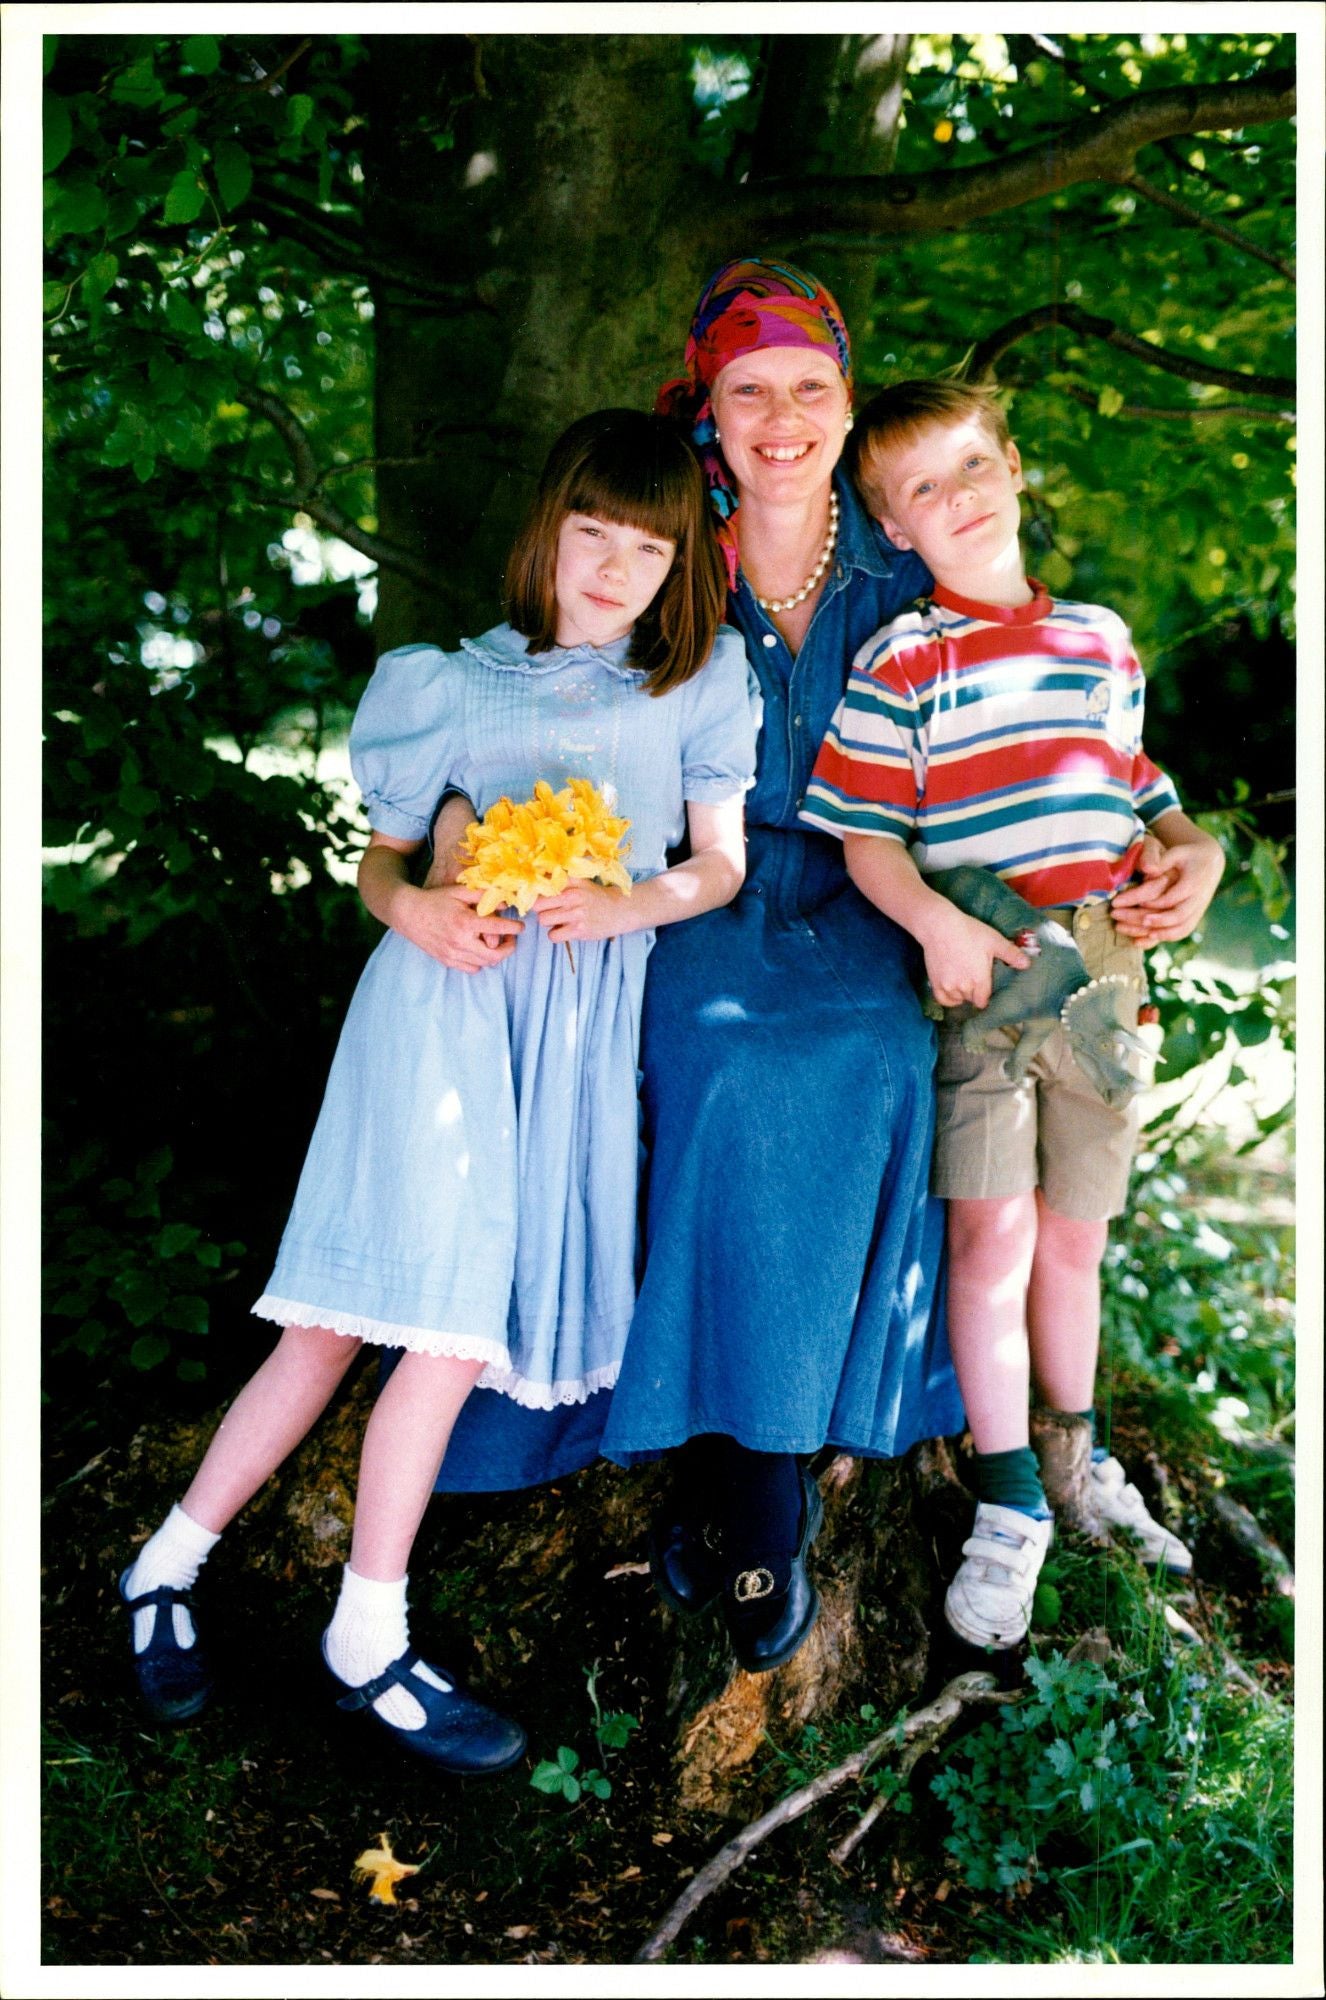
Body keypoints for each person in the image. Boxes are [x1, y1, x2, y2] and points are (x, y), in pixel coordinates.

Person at [117, 410, 758, 1766]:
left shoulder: (696, 684)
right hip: (441, 1014)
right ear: (548, 529)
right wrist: (412, 908)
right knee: (351, 1324)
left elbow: (720, 865)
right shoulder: (452, 684)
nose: (614, 567)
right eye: (592, 532)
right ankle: (234, 1589)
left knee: (430, 1331)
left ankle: (272, 1595)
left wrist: (628, 900)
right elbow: (381, 860)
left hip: (569, 1035)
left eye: (648, 548)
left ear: (680, 565)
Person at [801, 377, 1225, 1648]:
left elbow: (1133, 778)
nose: (959, 498)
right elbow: (869, 837)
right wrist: (936, 925)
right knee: (991, 1234)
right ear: (894, 528)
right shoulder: (903, 659)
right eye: (923, 489)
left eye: (972, 466)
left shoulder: (1100, 638)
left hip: (1106, 976)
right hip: (982, 974)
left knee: (1076, 1236)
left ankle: (1077, 1461)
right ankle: (1008, 1499)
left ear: (1016, 467)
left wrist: (1193, 846)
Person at [592, 257, 966, 1675]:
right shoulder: (668, 547)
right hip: (701, 879)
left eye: (810, 387)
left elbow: (1035, 694)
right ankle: (758, 1488)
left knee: (874, 1057)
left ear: (846, 401)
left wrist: (1164, 834)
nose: (782, 417)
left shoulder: (902, 560)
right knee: (713, 1053)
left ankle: (747, 1466)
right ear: (710, 406)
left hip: (868, 886)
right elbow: (560, 674)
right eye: (749, 389)